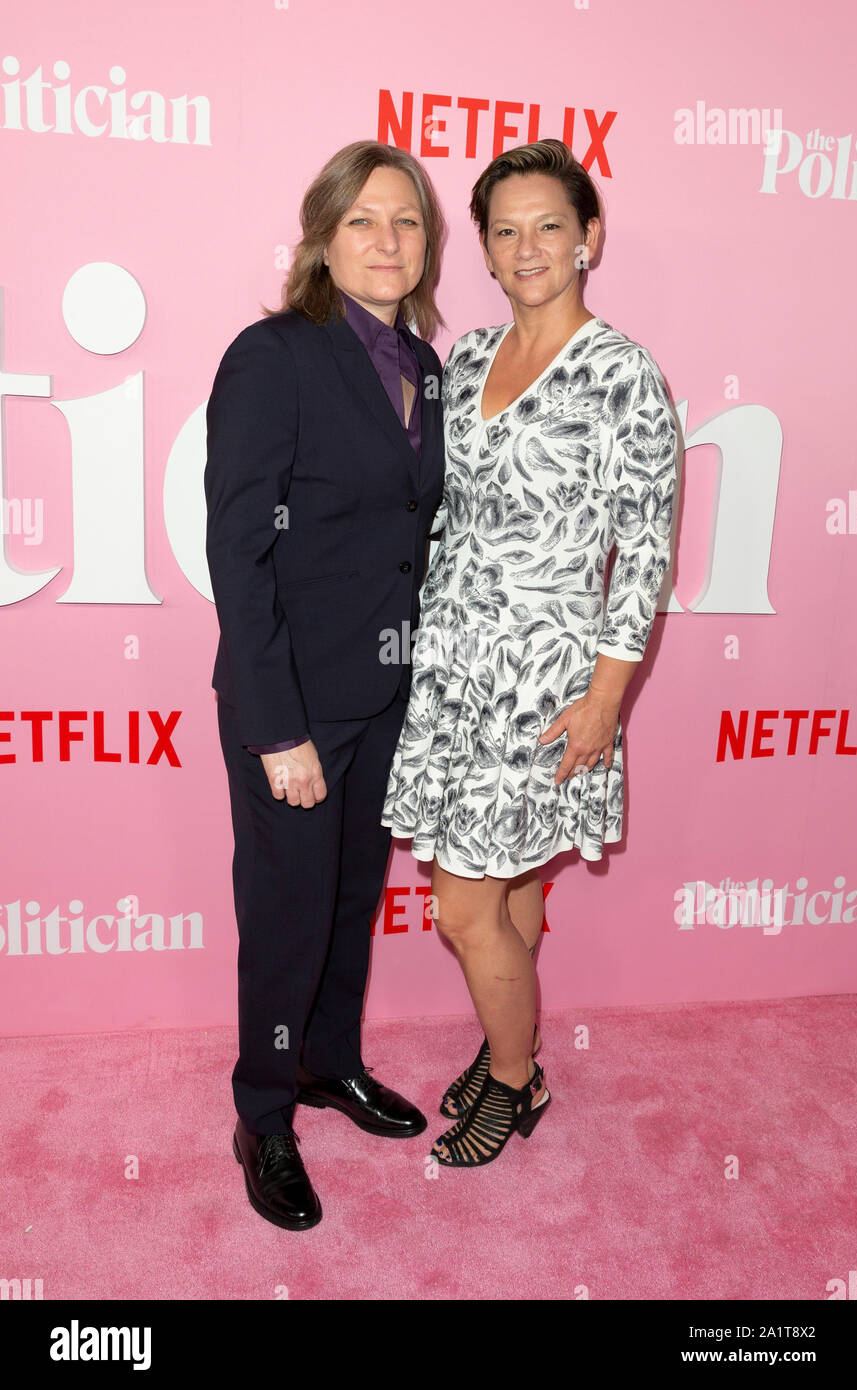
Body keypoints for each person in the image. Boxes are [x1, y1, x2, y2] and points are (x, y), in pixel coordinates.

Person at [381, 138, 679, 1167]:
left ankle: (517, 1080)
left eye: (549, 224)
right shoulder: (463, 358)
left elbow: (640, 553)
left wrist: (605, 700)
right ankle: (508, 1045)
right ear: (485, 251)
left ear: (588, 236)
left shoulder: (622, 374)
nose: (526, 247)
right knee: (502, 892)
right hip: (458, 665)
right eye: (503, 231)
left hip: (547, 680)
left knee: (461, 905)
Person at [204, 141, 447, 1228]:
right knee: (288, 910)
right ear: (322, 236)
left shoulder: (427, 371)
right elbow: (238, 555)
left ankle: (327, 1061)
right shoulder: (273, 356)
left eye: (405, 222)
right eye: (363, 221)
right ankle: (263, 1110)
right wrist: (276, 727)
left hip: (386, 695)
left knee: (351, 899)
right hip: (294, 704)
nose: (387, 241)